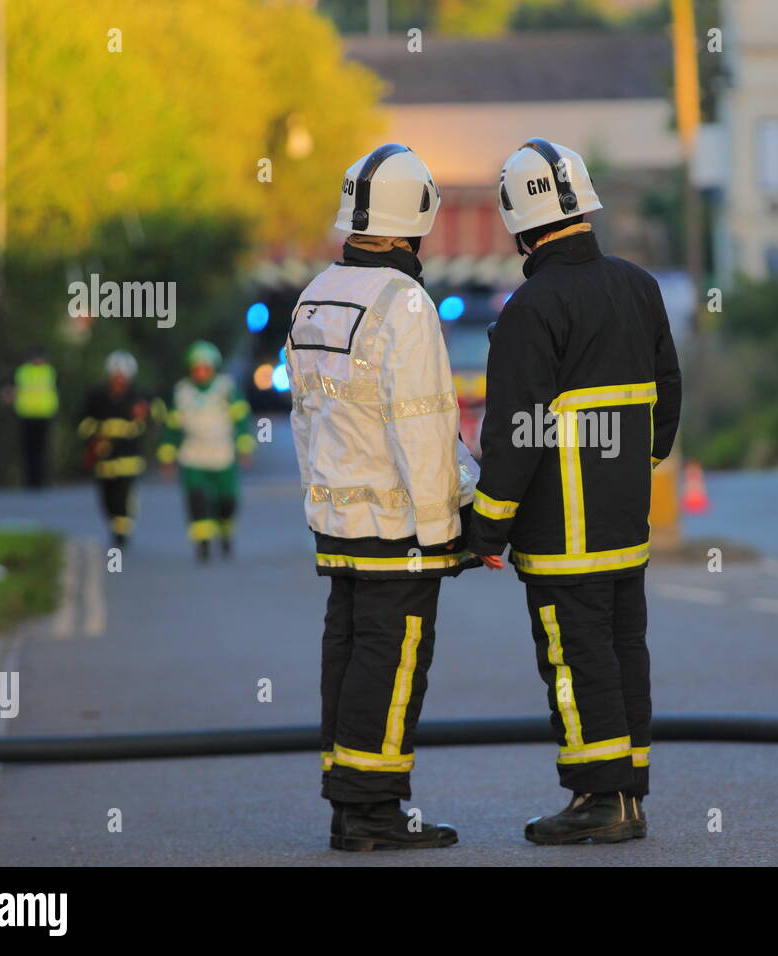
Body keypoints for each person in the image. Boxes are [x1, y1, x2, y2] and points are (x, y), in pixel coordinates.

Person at [468, 139, 682, 845]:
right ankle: (630, 793)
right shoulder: (639, 286)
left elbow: (514, 434)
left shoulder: (532, 307)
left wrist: (487, 527)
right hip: (624, 521)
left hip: (562, 533)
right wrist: (633, 466)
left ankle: (599, 798)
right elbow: (667, 399)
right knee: (624, 650)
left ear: (520, 225)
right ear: (584, 206)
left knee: (573, 657)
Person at [287, 143, 482, 852]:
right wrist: (446, 530)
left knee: (346, 652)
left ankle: (349, 800)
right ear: (417, 221)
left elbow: (305, 421)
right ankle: (373, 811)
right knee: (392, 660)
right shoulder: (403, 302)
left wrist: (321, 507)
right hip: (399, 529)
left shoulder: (313, 297)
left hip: (338, 524)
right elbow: (425, 424)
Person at [157, 341, 254, 562]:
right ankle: (202, 543)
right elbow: (172, 426)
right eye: (196, 367)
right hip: (193, 454)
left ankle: (226, 532)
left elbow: (240, 419)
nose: (201, 372)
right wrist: (167, 456)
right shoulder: (182, 391)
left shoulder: (226, 388)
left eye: (205, 367)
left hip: (222, 453)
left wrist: (244, 446)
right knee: (196, 499)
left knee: (227, 500)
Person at [78, 350, 149, 547]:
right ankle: (115, 527)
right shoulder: (96, 397)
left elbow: (149, 419)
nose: (119, 381)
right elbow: (84, 423)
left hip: (128, 460)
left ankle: (122, 535)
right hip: (104, 461)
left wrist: (144, 414)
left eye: (123, 378)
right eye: (116, 377)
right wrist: (95, 438)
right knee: (107, 500)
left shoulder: (137, 398)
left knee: (123, 498)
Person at [12, 346, 58, 489]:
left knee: (42, 450)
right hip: (26, 414)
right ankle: (30, 481)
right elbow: (14, 389)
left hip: (44, 415)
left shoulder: (49, 371)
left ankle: (41, 480)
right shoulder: (23, 371)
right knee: (28, 451)